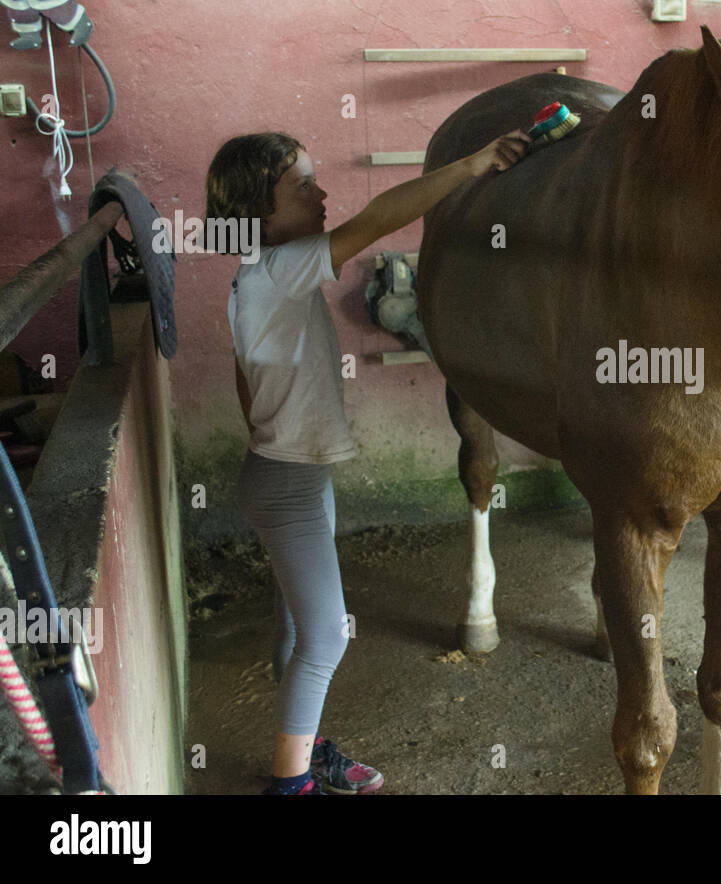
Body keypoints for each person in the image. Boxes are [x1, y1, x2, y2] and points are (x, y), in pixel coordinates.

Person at [206, 127, 529, 794]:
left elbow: (246, 381)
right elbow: (379, 218)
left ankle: (307, 747)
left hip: (288, 472)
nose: (320, 193)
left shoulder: (253, 280)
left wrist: (275, 437)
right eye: (301, 186)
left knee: (299, 627)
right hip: (289, 483)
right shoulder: (278, 269)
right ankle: (289, 785)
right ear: (255, 214)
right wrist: (470, 164)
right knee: (326, 638)